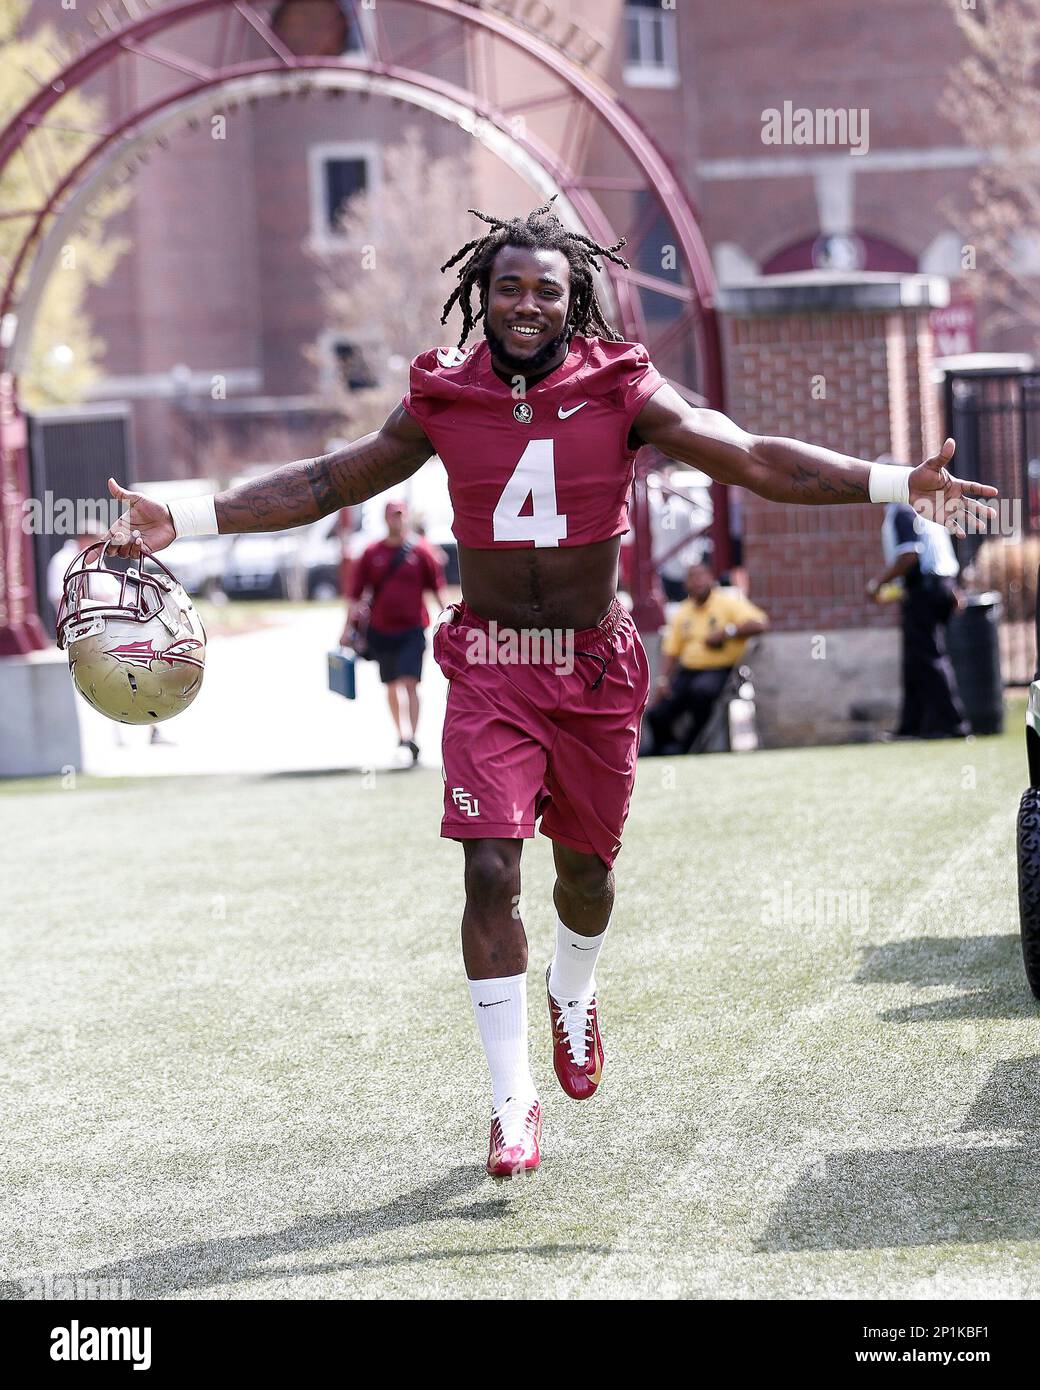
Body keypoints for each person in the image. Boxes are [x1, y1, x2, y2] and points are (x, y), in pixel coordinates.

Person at [101, 196, 996, 1179]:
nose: (525, 304)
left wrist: (886, 481)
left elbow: (747, 458)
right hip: (489, 662)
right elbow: (331, 479)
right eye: (509, 287)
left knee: (585, 875)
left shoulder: (620, 385)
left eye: (547, 291)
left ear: (572, 305)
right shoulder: (441, 392)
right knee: (488, 868)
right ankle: (510, 1099)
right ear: (480, 294)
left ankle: (572, 988)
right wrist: (185, 513)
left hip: (593, 664)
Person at [343, 499, 445, 765]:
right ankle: (401, 734)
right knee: (391, 684)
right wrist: (345, 629)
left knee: (411, 682)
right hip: (381, 629)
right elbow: (354, 596)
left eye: (401, 515)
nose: (397, 520)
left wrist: (449, 618)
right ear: (385, 519)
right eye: (393, 515)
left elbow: (437, 588)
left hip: (413, 628)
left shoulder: (421, 552)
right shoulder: (371, 552)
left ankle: (412, 736)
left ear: (406, 517)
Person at [867, 498, 971, 739]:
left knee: (929, 657)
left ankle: (954, 724)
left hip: (924, 589)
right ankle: (911, 727)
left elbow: (910, 555)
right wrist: (953, 589)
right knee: (914, 660)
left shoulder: (901, 510)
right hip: (941, 585)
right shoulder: (926, 509)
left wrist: (877, 584)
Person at [645, 562, 768, 754]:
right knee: (657, 712)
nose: (698, 581)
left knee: (701, 693)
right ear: (686, 584)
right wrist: (662, 680)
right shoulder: (683, 611)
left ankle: (687, 747)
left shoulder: (727, 602)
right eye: (693, 577)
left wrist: (729, 631)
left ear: (711, 579)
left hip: (718, 669)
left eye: (702, 576)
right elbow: (671, 651)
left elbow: (760, 623)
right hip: (687, 671)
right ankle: (664, 748)